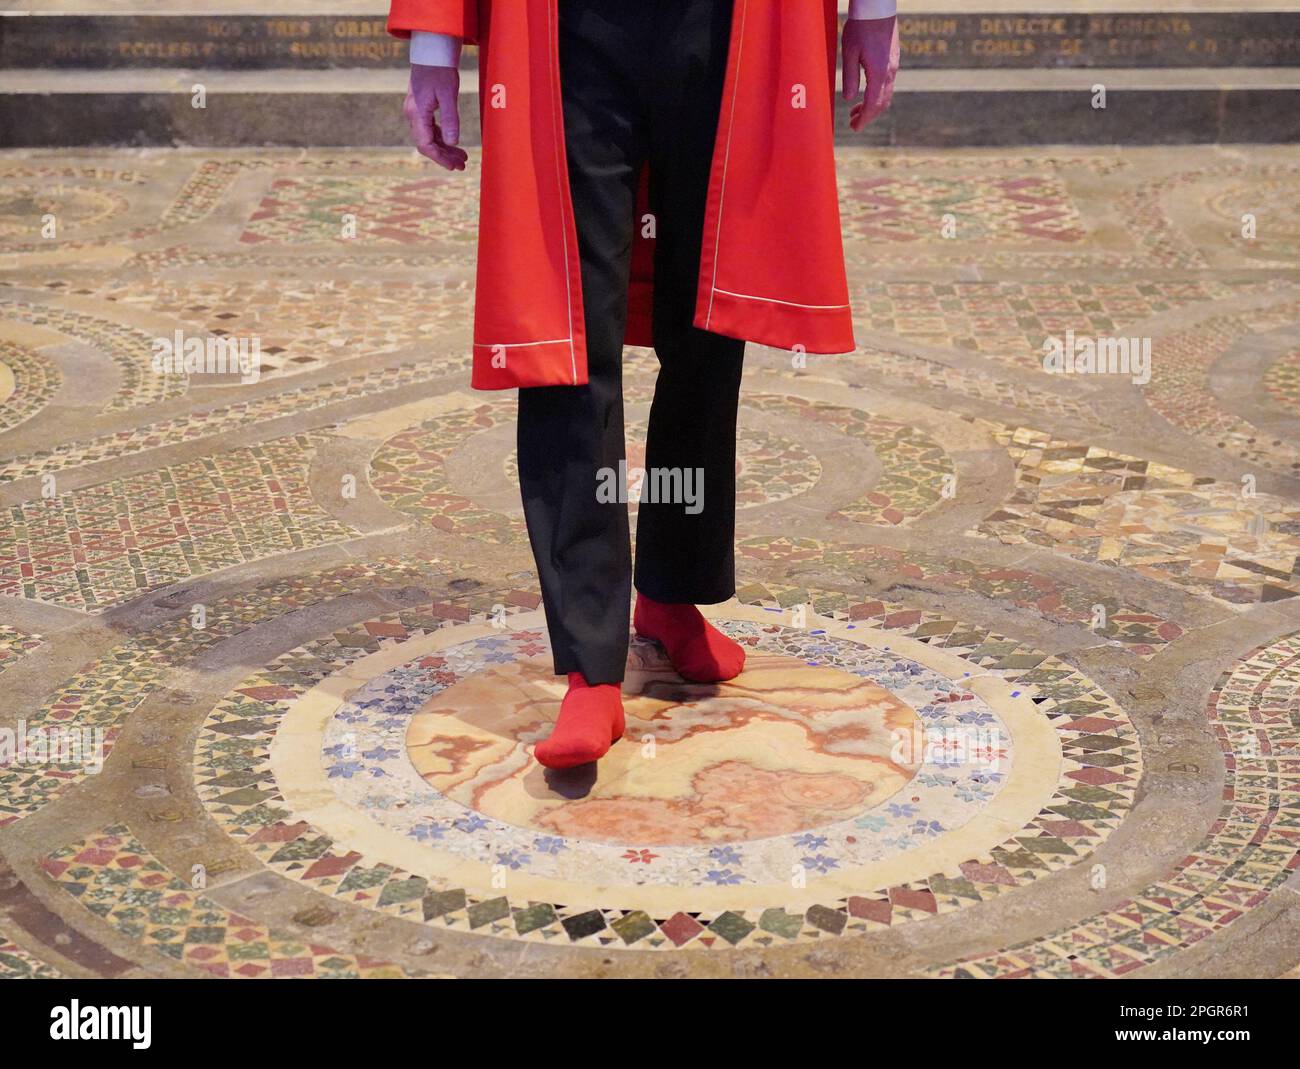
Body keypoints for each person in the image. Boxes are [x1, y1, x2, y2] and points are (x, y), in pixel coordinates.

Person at [387, 0, 900, 768]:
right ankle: (590, 663)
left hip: (731, 22)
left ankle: (671, 592)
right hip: (570, 28)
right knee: (567, 331)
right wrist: (433, 44)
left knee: (707, 317)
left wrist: (875, 7)